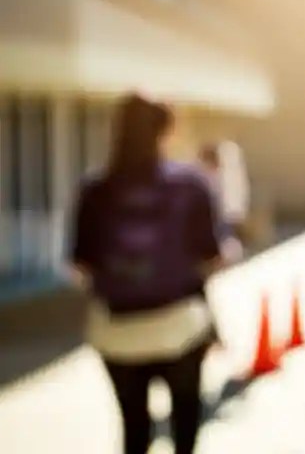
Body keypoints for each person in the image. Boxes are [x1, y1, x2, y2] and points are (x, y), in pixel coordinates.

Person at [69, 93, 225, 454]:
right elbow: (212, 257)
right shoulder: (190, 184)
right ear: (166, 130)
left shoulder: (95, 191)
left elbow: (80, 266)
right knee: (185, 421)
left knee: (134, 425)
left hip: (117, 330)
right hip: (180, 324)